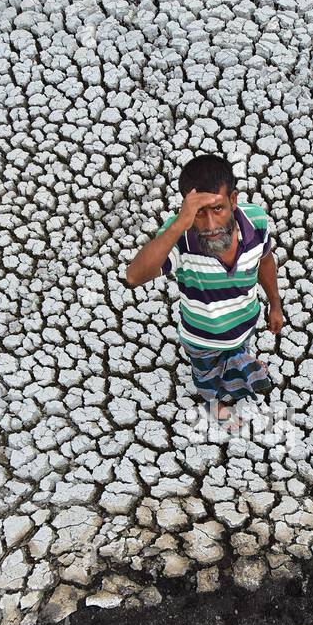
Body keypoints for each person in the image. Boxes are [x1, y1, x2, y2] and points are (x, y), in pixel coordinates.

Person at [124, 154, 283, 431]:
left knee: (239, 351)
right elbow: (134, 276)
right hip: (202, 337)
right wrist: (178, 224)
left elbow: (265, 260)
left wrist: (275, 305)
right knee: (207, 375)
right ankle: (213, 403)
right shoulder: (180, 238)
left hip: (246, 323)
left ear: (233, 199)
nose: (210, 226)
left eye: (218, 209)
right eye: (199, 212)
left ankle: (238, 364)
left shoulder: (256, 221)